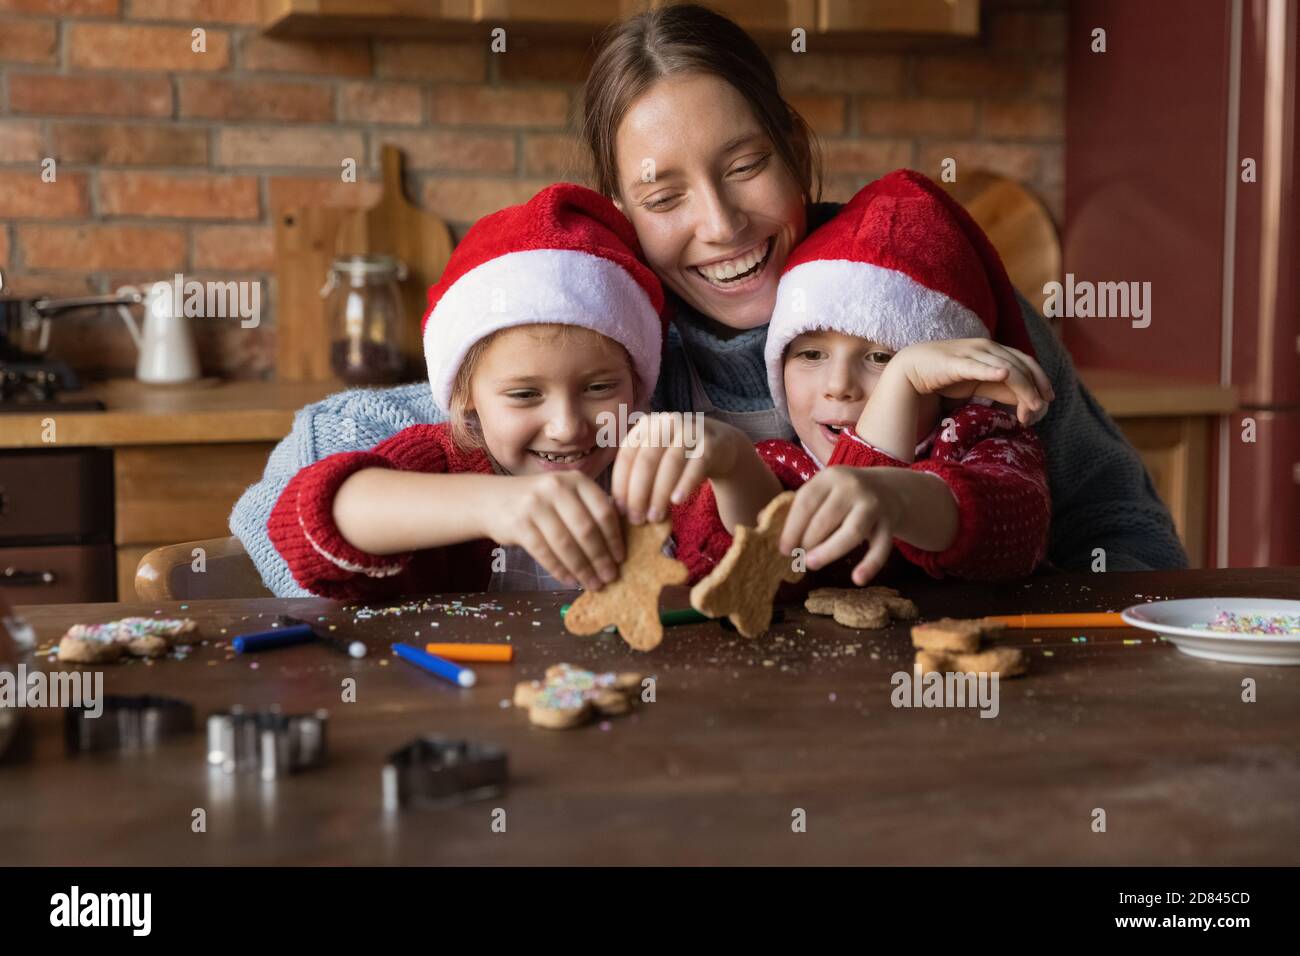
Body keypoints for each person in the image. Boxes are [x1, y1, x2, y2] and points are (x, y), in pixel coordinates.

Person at [233, 3, 1185, 597]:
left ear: (794, 148)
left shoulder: (926, 302)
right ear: (625, 220)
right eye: (664, 197)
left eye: (745, 166)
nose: (722, 225)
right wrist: (489, 507)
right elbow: (283, 497)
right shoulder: (602, 347)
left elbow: (1127, 538)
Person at [266, 183, 770, 600]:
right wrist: (494, 505)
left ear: (639, 386)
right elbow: (307, 520)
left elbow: (758, 576)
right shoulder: (444, 462)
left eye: (599, 387)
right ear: (466, 399)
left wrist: (735, 464)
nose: (568, 426)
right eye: (525, 395)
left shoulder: (657, 473)